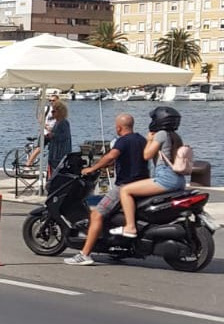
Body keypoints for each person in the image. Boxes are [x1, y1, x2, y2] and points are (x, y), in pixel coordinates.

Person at [65, 114, 147, 266]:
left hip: (125, 185)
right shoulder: (141, 140)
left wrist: (93, 168)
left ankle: (85, 254)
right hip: (142, 183)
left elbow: (111, 156)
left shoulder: (122, 141)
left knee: (96, 214)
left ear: (119, 127)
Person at [110, 107, 188, 239]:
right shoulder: (176, 136)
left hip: (165, 177)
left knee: (126, 191)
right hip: (179, 179)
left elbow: (146, 155)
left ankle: (130, 227)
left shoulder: (161, 134)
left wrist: (149, 140)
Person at [27, 89, 61, 167]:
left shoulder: (59, 110)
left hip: (54, 133)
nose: (51, 102)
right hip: (45, 132)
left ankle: (53, 165)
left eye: (53, 100)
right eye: (50, 100)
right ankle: (28, 163)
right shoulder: (47, 109)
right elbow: (40, 119)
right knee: (39, 148)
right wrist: (45, 126)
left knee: (56, 149)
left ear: (57, 101)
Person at [45, 99, 72, 182]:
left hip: (60, 153)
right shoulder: (57, 122)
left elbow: (65, 136)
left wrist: (53, 135)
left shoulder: (63, 122)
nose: (52, 113)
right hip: (54, 152)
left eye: (54, 111)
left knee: (58, 172)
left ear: (60, 112)